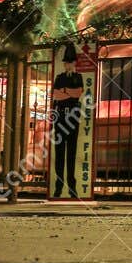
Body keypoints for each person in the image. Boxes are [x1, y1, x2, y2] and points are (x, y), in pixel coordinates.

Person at [50, 44, 86, 198]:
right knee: (59, 155)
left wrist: (65, 92)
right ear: (64, 64)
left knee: (71, 154)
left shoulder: (78, 78)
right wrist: (67, 93)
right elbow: (57, 96)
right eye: (66, 62)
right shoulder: (59, 78)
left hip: (73, 118)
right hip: (60, 119)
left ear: (74, 64)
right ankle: (58, 186)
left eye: (71, 62)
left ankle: (72, 187)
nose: (68, 65)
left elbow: (78, 93)